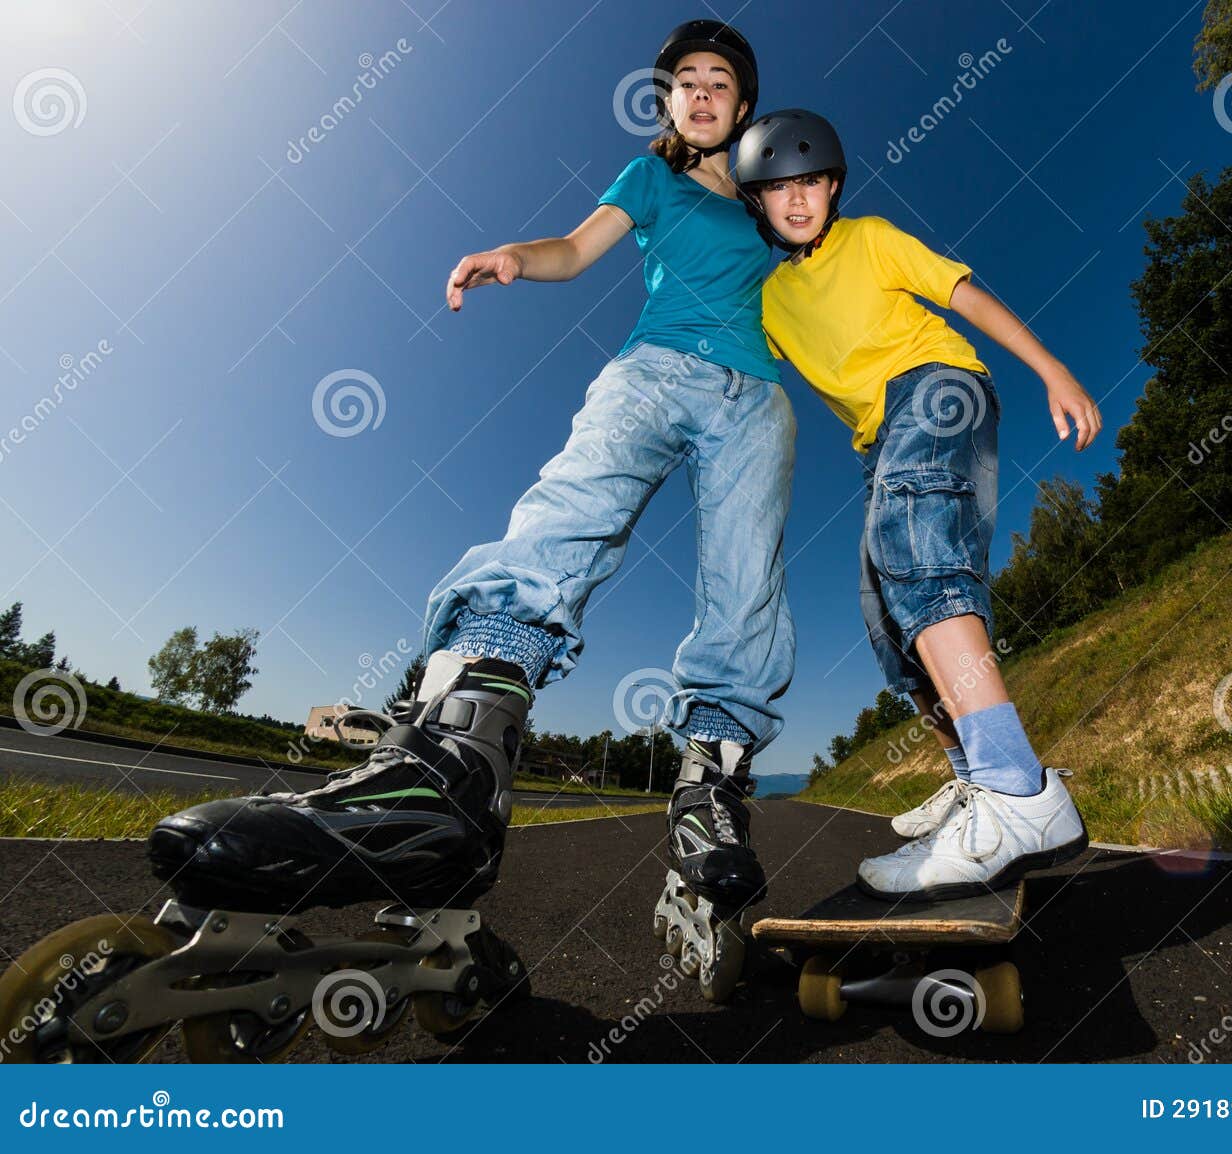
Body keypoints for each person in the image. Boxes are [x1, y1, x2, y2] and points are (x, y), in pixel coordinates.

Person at [149, 22, 793, 916]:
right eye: (683, 80)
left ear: (745, 103)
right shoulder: (649, 179)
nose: (700, 92)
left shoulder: (773, 204)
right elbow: (573, 249)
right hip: (652, 373)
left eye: (719, 81)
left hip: (756, 400)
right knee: (569, 508)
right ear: (667, 101)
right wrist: (513, 260)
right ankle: (454, 761)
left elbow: (826, 288)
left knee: (745, 580)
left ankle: (713, 791)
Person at [735, 109, 1103, 901]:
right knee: (885, 618)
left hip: (939, 388)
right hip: (881, 444)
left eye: (810, 182)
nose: (797, 200)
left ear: (833, 186)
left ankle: (1015, 788)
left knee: (916, 550)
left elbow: (964, 295)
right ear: (757, 204)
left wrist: (1053, 369)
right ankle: (978, 784)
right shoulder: (768, 300)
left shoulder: (869, 237)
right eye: (777, 189)